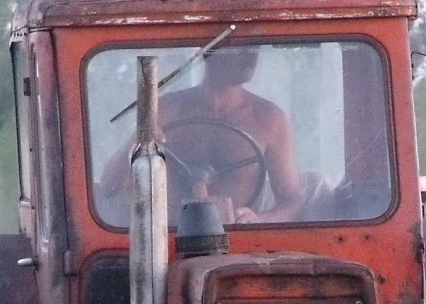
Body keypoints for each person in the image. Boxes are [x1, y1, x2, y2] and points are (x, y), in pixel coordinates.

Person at [98, 46, 306, 225]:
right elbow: (109, 186)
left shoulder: (270, 120)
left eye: (254, 48)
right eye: (239, 48)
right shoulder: (164, 110)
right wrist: (137, 142)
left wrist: (259, 220)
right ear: (207, 52)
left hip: (238, 242)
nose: (251, 56)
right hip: (168, 240)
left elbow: (292, 201)